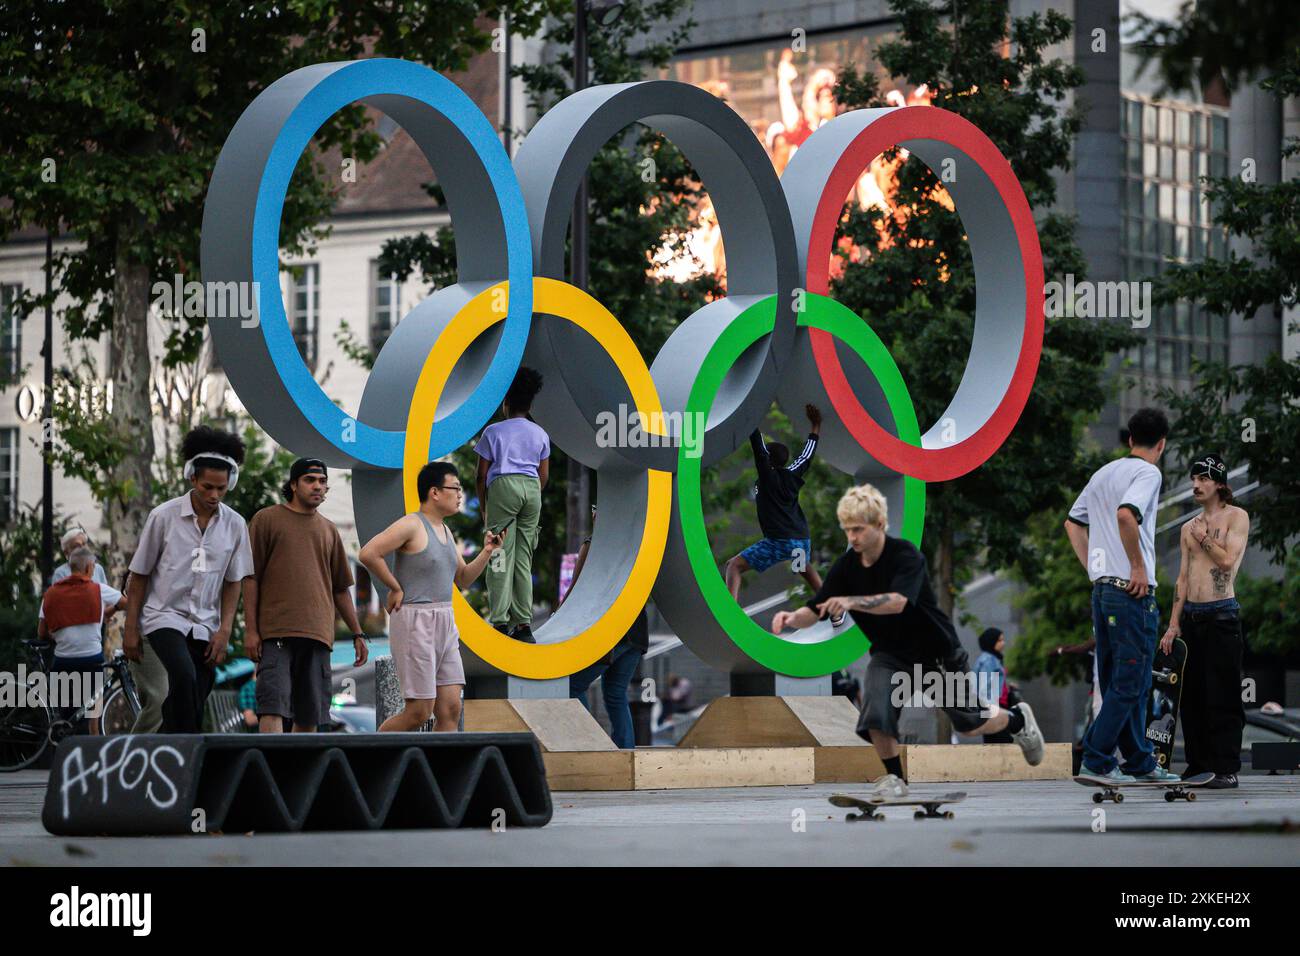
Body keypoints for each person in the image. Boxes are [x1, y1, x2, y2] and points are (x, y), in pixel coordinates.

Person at [771, 484, 1043, 798]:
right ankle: (895, 780)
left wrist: (851, 602)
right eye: (847, 530)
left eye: (858, 529)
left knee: (969, 724)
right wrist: (792, 618)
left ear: (879, 524)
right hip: (890, 655)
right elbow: (817, 608)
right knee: (876, 710)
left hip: (935, 655)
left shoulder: (905, 555)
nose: (852, 538)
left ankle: (1017, 721)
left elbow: (898, 602)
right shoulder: (846, 567)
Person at [1064, 407, 1178, 784]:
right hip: (1131, 593)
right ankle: (1095, 758)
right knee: (1132, 682)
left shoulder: (1103, 473)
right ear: (1161, 444)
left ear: (1130, 439)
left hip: (1103, 591)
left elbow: (1072, 522)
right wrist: (1137, 568)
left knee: (1125, 682)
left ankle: (1140, 761)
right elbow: (1127, 514)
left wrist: (1095, 570)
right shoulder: (1148, 472)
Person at [124, 426, 254, 733]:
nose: (214, 495)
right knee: (182, 677)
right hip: (162, 617)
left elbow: (234, 581)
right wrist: (129, 630)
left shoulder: (235, 525)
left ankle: (159, 761)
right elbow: (139, 574)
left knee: (193, 697)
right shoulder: (163, 517)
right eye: (208, 486)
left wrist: (224, 630)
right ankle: (189, 755)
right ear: (192, 478)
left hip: (205, 625)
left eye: (221, 489)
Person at [359, 461, 504, 732]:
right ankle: (370, 759)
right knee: (418, 712)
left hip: (445, 620)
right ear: (434, 492)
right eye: (455, 488)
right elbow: (369, 553)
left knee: (450, 708)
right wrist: (395, 587)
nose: (460, 494)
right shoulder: (412, 524)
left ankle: (439, 772)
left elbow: (462, 578)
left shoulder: (446, 530)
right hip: (416, 621)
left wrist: (486, 552)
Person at [245, 458, 369, 734]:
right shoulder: (266, 519)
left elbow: (340, 589)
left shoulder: (329, 530)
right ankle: (271, 774)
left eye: (323, 481)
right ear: (293, 484)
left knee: (310, 716)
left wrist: (358, 633)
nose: (318, 486)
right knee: (272, 707)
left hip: (318, 636)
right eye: (310, 480)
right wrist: (251, 631)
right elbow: (250, 578)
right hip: (275, 633)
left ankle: (298, 776)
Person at [1160, 453, 1250, 788]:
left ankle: (1226, 768)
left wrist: (1203, 537)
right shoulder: (1187, 527)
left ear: (1220, 484)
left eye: (1203, 479)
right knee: (1192, 696)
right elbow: (1181, 579)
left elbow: (1227, 561)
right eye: (1193, 479)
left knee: (1222, 694)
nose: (1195, 485)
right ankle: (1198, 764)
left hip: (1222, 614)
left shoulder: (1236, 517)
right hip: (1193, 617)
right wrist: (1173, 623)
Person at [726, 404, 840, 623]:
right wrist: (815, 426)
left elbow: (758, 446)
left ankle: (730, 611)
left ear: (767, 461)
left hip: (777, 541)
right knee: (803, 568)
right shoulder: (792, 474)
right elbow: (806, 456)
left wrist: (749, 417)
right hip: (799, 540)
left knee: (734, 565)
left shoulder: (768, 476)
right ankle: (833, 608)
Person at [562, 505, 647, 749]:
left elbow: (576, 587)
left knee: (573, 686)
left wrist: (561, 616)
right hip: (637, 632)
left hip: (611, 632)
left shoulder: (593, 545)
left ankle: (594, 744)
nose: (594, 512)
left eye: (598, 508)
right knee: (616, 694)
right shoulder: (634, 546)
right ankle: (625, 750)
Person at [474, 367, 550, 643]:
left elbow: (481, 475)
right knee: (523, 557)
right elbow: (544, 475)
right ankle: (524, 624)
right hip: (532, 490)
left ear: (506, 402)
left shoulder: (492, 432)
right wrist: (531, 494)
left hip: (502, 487)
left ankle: (500, 620)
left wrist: (485, 507)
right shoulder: (540, 433)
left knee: (498, 555)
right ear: (530, 404)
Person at [38, 547, 126, 729]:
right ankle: (91, 752)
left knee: (66, 717)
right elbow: (127, 604)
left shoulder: (51, 593)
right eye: (93, 567)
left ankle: (63, 750)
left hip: (63, 662)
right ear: (88, 568)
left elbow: (42, 632)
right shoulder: (98, 589)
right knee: (93, 713)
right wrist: (114, 608)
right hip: (90, 661)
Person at [974, 627, 1021, 744]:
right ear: (991, 642)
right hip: (994, 708)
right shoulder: (989, 660)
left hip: (996, 707)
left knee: (998, 742)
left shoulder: (992, 659)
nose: (1003, 643)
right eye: (999, 640)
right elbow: (985, 688)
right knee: (999, 743)